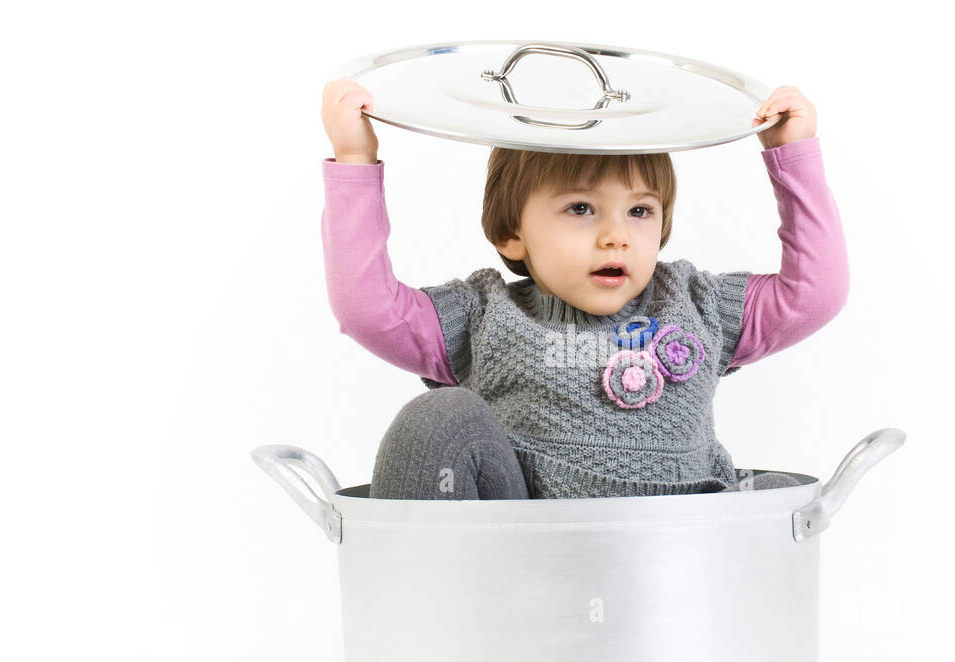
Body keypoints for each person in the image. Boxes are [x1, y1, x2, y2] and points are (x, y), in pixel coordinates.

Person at [319, 79, 849, 500]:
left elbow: (815, 294)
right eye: (580, 208)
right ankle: (425, 618)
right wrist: (355, 162)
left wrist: (791, 157)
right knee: (437, 420)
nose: (616, 235)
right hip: (522, 568)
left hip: (676, 557)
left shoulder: (695, 304)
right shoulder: (483, 316)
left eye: (640, 211)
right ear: (513, 232)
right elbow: (367, 309)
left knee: (782, 500)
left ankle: (708, 630)